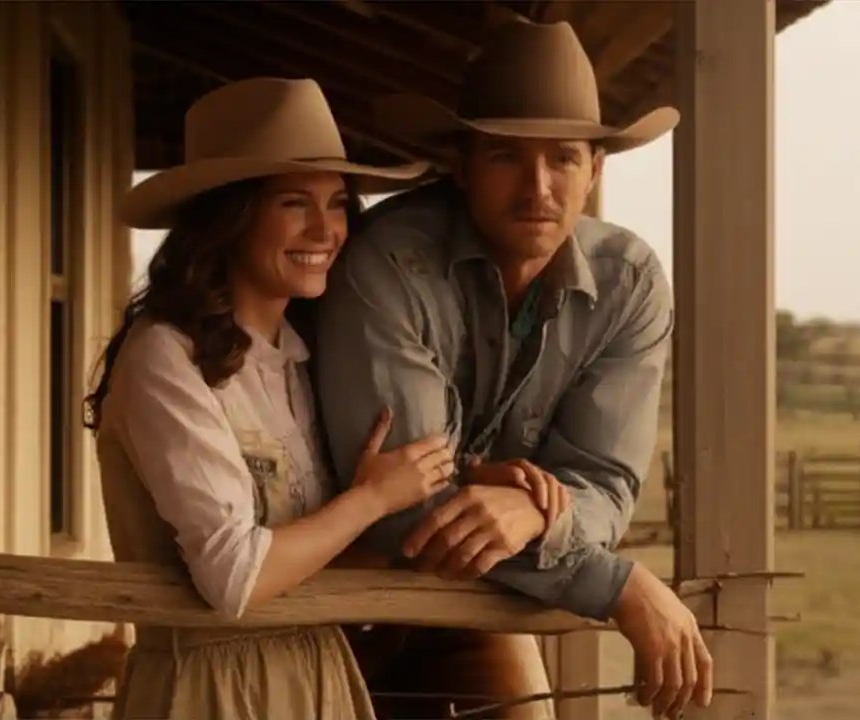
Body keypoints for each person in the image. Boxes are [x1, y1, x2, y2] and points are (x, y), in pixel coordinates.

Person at [315, 20, 712, 720]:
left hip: (478, 597)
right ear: (461, 166)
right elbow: (405, 508)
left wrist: (534, 513)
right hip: (328, 590)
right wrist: (619, 586)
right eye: (506, 157)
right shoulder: (390, 262)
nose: (538, 187)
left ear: (596, 169)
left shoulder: (630, 283)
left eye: (563, 158)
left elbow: (606, 484)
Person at [85, 77, 451, 720]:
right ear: (229, 215)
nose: (325, 229)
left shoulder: (303, 357)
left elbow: (322, 558)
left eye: (337, 203)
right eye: (293, 203)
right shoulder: (165, 359)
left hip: (316, 677)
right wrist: (371, 499)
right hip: (209, 693)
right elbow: (235, 577)